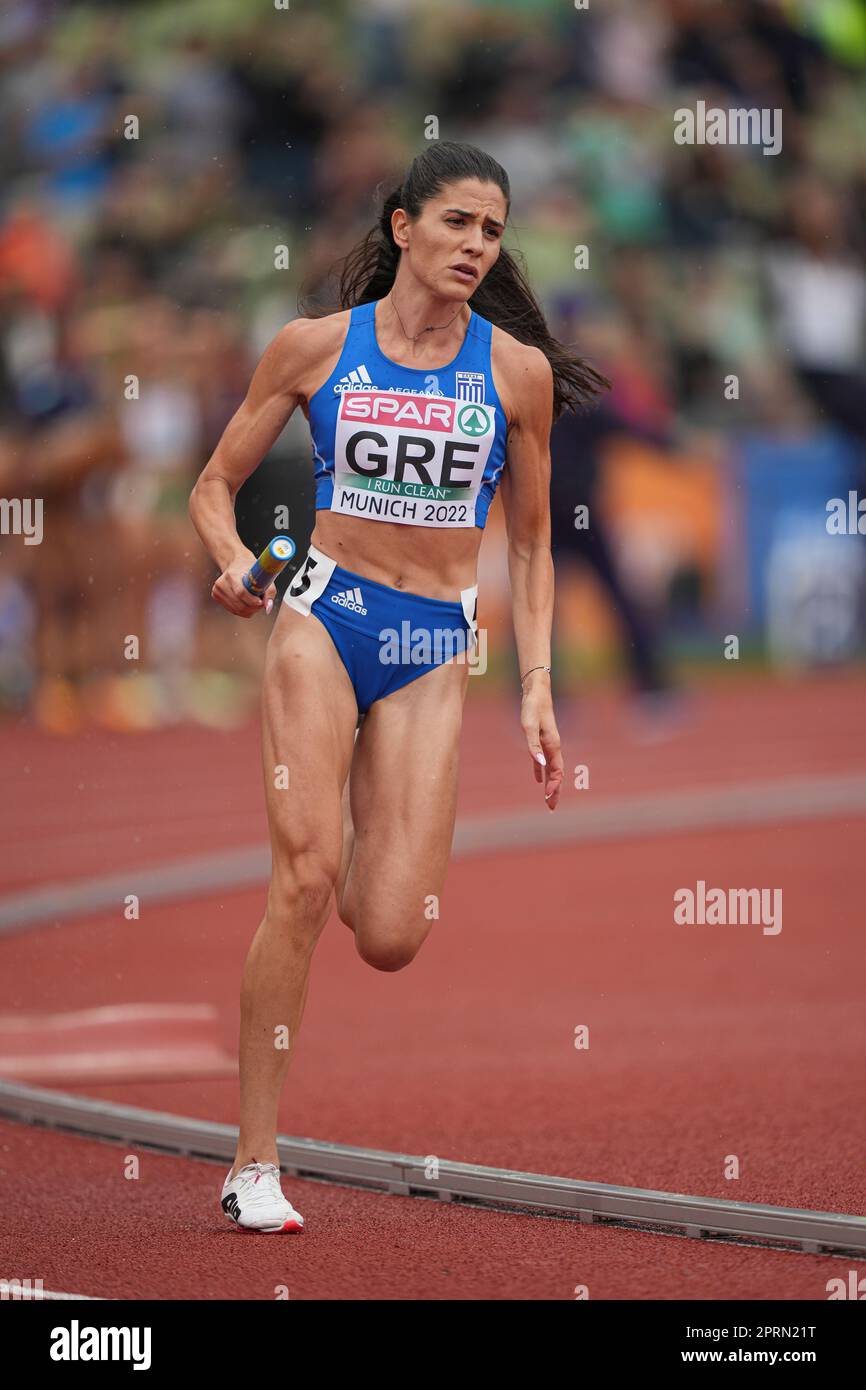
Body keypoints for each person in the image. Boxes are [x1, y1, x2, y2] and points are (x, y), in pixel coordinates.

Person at [188, 141, 607, 1234]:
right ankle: (253, 1159)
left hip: (433, 648)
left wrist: (536, 686)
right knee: (304, 874)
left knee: (387, 929)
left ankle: (365, 796)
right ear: (401, 228)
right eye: (458, 222)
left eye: (493, 230)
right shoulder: (314, 349)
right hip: (321, 618)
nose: (476, 244)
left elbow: (528, 546)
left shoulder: (512, 373)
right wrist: (234, 561)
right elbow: (211, 486)